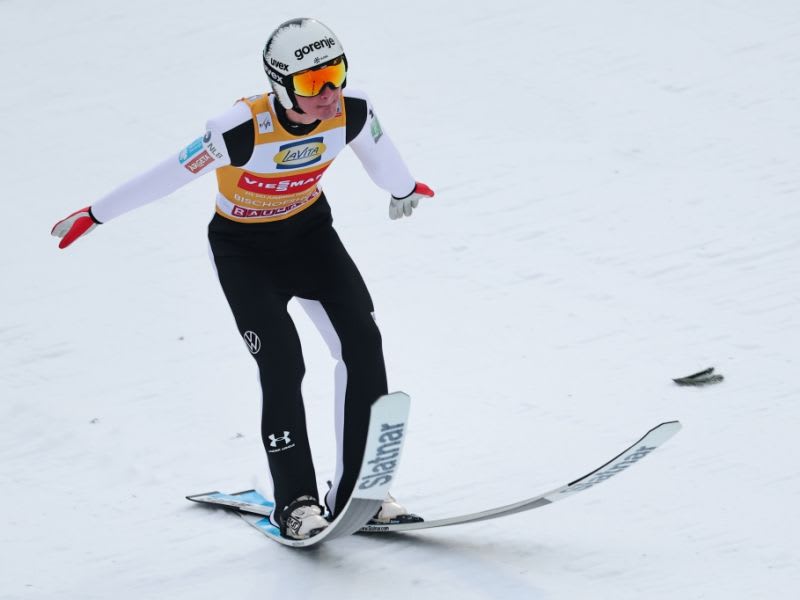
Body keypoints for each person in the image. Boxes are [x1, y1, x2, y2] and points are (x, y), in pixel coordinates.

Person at [51, 17, 434, 540]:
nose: (327, 93)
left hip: (310, 237)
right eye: (309, 82)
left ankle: (357, 494)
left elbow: (378, 151)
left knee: (363, 342)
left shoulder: (353, 110)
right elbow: (167, 176)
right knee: (282, 362)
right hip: (243, 251)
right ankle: (295, 502)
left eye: (335, 74)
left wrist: (403, 188)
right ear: (280, 83)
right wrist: (95, 213)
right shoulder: (237, 129)